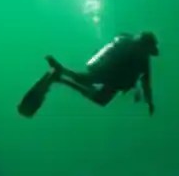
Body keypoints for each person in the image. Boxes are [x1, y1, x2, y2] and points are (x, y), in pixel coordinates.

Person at [18, 31, 159, 118]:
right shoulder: (142, 59)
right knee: (97, 94)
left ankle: (61, 74)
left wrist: (149, 100)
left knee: (89, 83)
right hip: (113, 77)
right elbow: (146, 83)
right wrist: (149, 101)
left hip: (106, 72)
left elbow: (145, 83)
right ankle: (61, 76)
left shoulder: (131, 46)